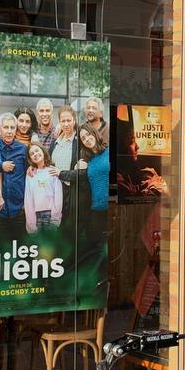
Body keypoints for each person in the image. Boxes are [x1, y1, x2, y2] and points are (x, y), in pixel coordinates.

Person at [78, 122, 110, 291]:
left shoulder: (108, 153)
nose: (86, 139)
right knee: (96, 250)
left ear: (95, 133)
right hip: (95, 211)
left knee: (108, 250)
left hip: (110, 209)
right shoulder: (87, 161)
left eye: (88, 135)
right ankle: (95, 288)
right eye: (83, 138)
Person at [0, 113, 28, 240]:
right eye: (6, 127)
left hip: (19, 207)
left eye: (12, 128)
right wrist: (1, 165)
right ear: (0, 129)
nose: (9, 131)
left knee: (19, 244)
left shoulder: (23, 149)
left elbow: (28, 174)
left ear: (16, 130)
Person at [23, 144, 63, 234]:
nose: (35, 154)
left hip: (50, 215)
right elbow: (28, 199)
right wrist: (31, 224)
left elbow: (58, 196)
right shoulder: (30, 174)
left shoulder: (53, 170)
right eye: (32, 154)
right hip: (35, 216)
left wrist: (54, 220)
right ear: (30, 158)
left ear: (43, 151)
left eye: (37, 151)